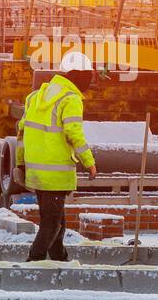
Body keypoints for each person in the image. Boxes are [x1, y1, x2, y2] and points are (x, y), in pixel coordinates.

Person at [17, 51, 98, 262]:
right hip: (56, 173)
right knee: (52, 223)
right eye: (88, 76)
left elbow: (21, 133)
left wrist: (20, 162)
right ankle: (33, 262)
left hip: (37, 171)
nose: (89, 81)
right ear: (76, 75)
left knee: (57, 221)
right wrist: (89, 162)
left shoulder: (34, 97)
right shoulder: (70, 99)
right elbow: (74, 134)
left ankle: (59, 260)